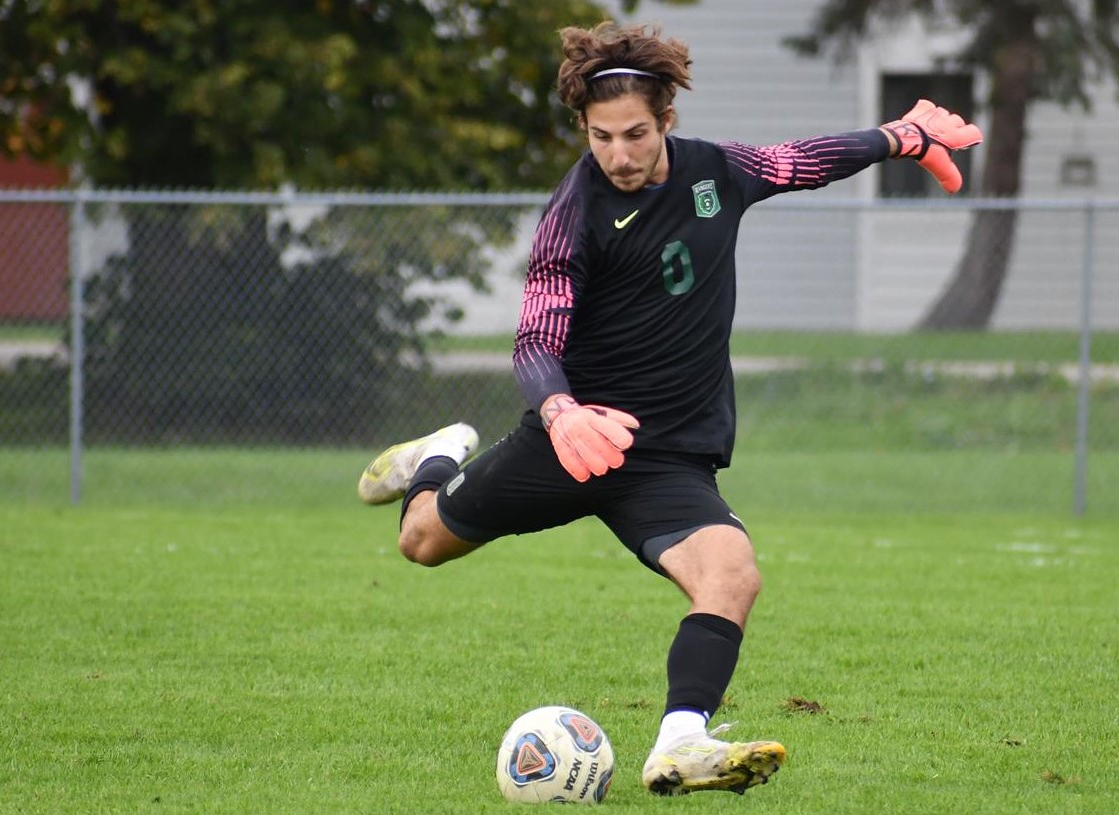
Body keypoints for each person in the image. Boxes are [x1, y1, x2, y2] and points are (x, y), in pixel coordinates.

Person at [357, 21, 981, 797]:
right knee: (420, 542)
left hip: (667, 456)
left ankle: (682, 742)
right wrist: (560, 412)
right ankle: (438, 454)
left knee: (733, 574)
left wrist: (903, 135)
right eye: (601, 137)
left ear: (667, 122)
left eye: (636, 134)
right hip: (573, 440)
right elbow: (535, 335)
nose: (618, 154)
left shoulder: (717, 170)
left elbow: (803, 162)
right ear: (584, 130)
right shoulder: (573, 212)